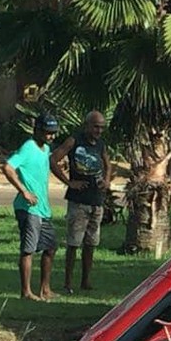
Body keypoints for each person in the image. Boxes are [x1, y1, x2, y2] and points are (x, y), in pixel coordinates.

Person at [50, 110, 111, 294]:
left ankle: (86, 280)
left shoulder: (101, 145)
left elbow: (108, 164)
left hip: (96, 200)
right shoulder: (74, 141)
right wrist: (69, 182)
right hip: (78, 200)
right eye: (95, 127)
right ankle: (68, 282)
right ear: (87, 125)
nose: (98, 131)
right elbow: (53, 159)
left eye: (101, 127)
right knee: (73, 242)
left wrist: (106, 181)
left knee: (91, 242)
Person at [3, 113, 59, 301]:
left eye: (53, 133)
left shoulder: (46, 149)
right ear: (37, 130)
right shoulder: (28, 147)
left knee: (50, 248)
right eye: (47, 132)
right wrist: (24, 191)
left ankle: (45, 289)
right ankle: (26, 291)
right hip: (28, 208)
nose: (50, 136)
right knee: (29, 249)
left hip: (43, 208)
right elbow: (8, 168)